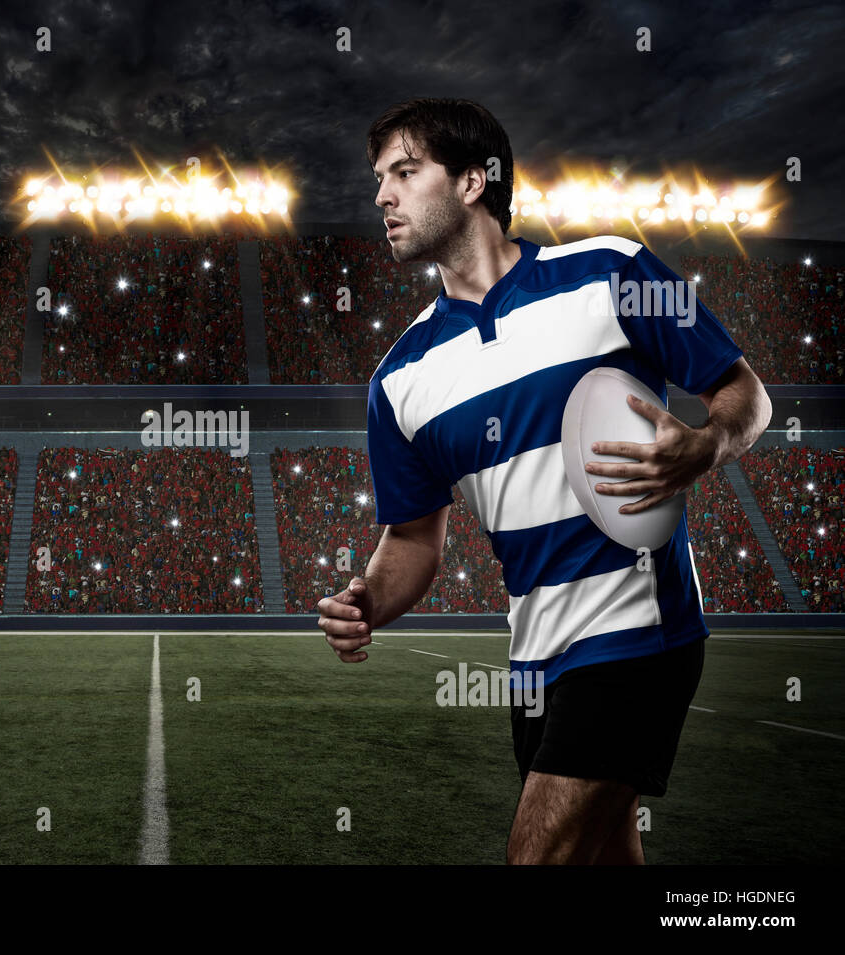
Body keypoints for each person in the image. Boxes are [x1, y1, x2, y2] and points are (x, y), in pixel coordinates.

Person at [316, 97, 772, 864]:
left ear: (471, 181)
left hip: (636, 633)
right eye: (378, 179)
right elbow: (413, 540)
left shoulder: (610, 272)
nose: (381, 196)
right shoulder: (398, 378)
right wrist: (367, 597)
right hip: (533, 659)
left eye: (404, 171)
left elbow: (745, 395)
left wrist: (706, 444)